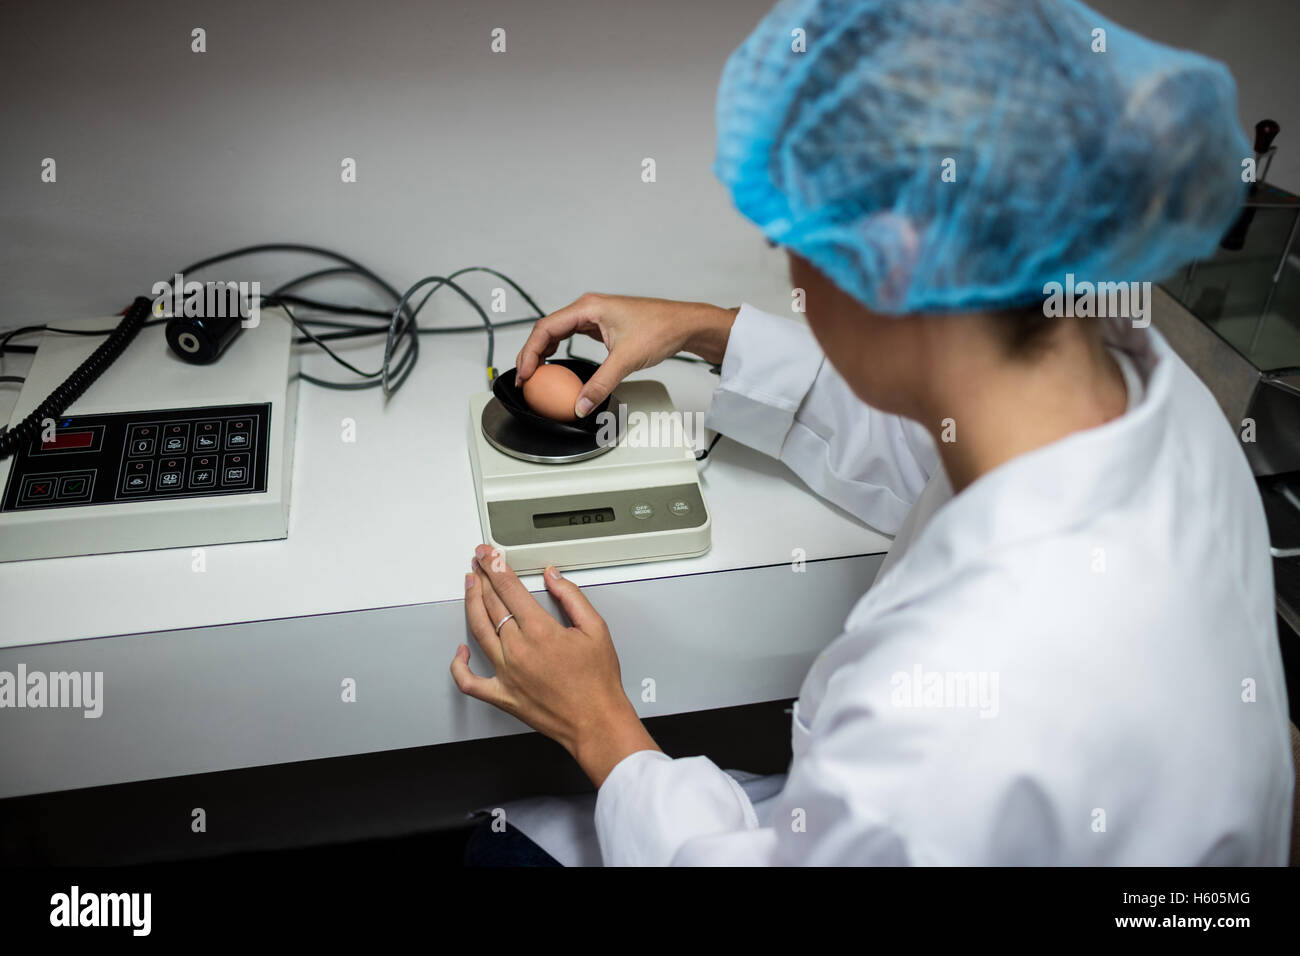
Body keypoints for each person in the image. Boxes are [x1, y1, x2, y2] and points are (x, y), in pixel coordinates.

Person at [451, 0, 1294, 865]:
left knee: (496, 844)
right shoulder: (1160, 397)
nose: (794, 270)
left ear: (888, 266)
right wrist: (706, 328)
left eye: (799, 241)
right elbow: (929, 448)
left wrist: (600, 727)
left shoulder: (937, 732)